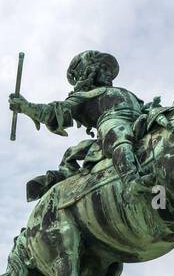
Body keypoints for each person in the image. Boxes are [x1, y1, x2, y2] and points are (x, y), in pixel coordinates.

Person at [9, 50, 152, 196]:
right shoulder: (85, 96)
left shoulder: (124, 92)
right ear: (90, 71)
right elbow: (55, 111)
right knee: (119, 133)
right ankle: (131, 181)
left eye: (109, 69)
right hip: (113, 122)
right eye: (103, 68)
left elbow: (143, 108)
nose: (109, 73)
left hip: (141, 120)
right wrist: (27, 107)